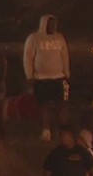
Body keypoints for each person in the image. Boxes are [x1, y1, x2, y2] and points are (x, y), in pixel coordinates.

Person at [24, 14, 71, 142]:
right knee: (44, 106)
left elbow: (65, 56)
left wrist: (67, 74)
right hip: (41, 78)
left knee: (62, 105)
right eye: (51, 24)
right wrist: (29, 76)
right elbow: (28, 58)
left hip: (59, 78)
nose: (53, 26)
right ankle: (46, 131)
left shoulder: (60, 38)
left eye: (55, 24)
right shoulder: (34, 38)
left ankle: (63, 132)